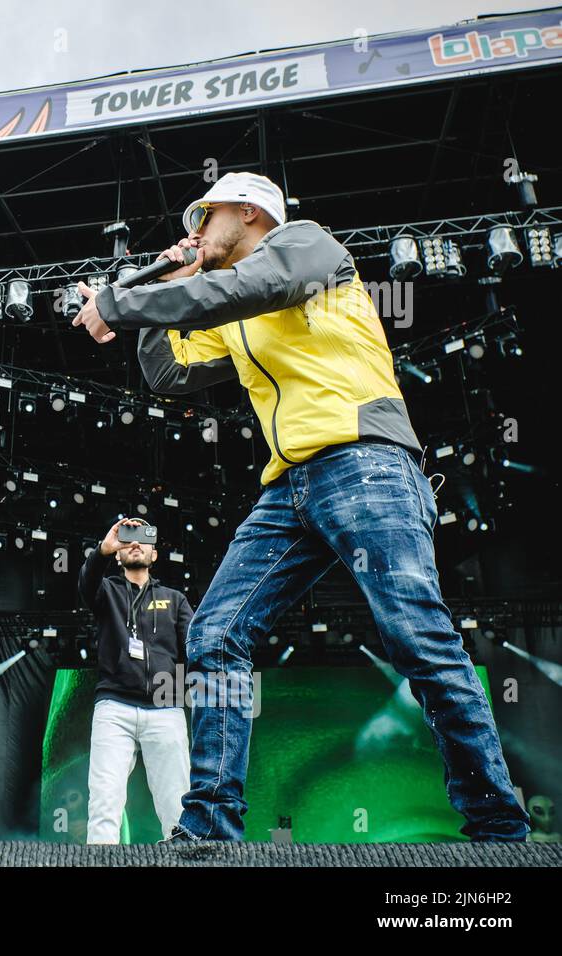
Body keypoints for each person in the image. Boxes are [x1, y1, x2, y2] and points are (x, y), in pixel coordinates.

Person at [71, 171, 530, 843]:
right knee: (215, 634)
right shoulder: (232, 306)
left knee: (418, 638)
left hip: (367, 460)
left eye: (208, 215)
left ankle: (497, 827)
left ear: (250, 211)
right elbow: (168, 372)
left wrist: (122, 302)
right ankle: (209, 825)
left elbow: (244, 288)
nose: (195, 229)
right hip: (290, 489)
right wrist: (154, 286)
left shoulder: (309, 249)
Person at [78, 516, 193, 843]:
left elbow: (194, 647)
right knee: (104, 798)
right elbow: (86, 583)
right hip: (114, 707)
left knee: (176, 803)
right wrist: (103, 548)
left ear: (154, 554)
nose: (135, 543)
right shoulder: (107, 592)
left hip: (165, 707)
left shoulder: (174, 599)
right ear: (118, 553)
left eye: (144, 538)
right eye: (128, 538)